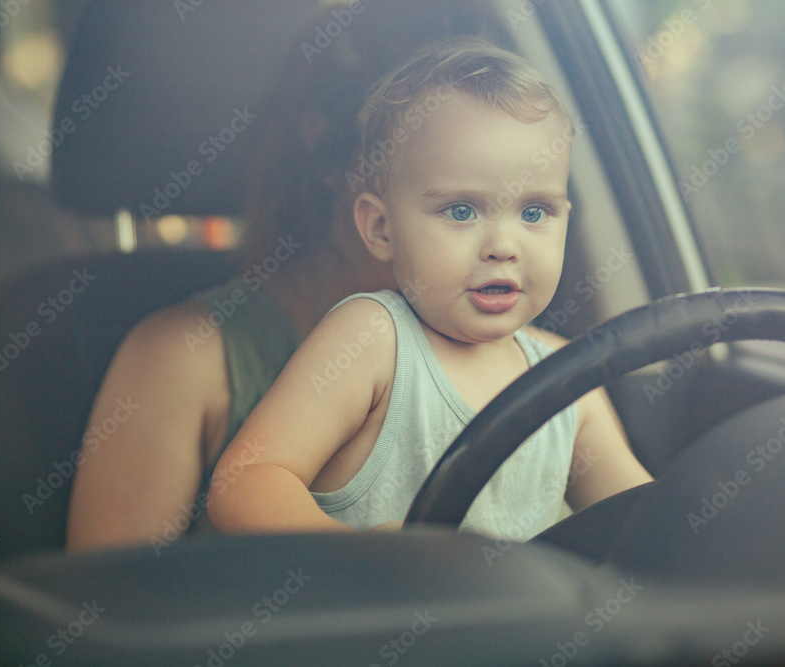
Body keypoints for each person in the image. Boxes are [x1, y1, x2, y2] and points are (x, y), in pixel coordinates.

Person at [65, 1, 508, 551]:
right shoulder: (184, 358)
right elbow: (106, 613)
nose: (487, 230)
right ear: (328, 151)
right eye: (440, 182)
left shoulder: (512, 353)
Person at [208, 38, 652, 540]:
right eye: (460, 211)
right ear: (381, 229)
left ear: (565, 220)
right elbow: (244, 481)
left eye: (535, 212)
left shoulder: (567, 381)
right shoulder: (373, 341)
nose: (503, 246)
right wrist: (361, 552)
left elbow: (646, 524)